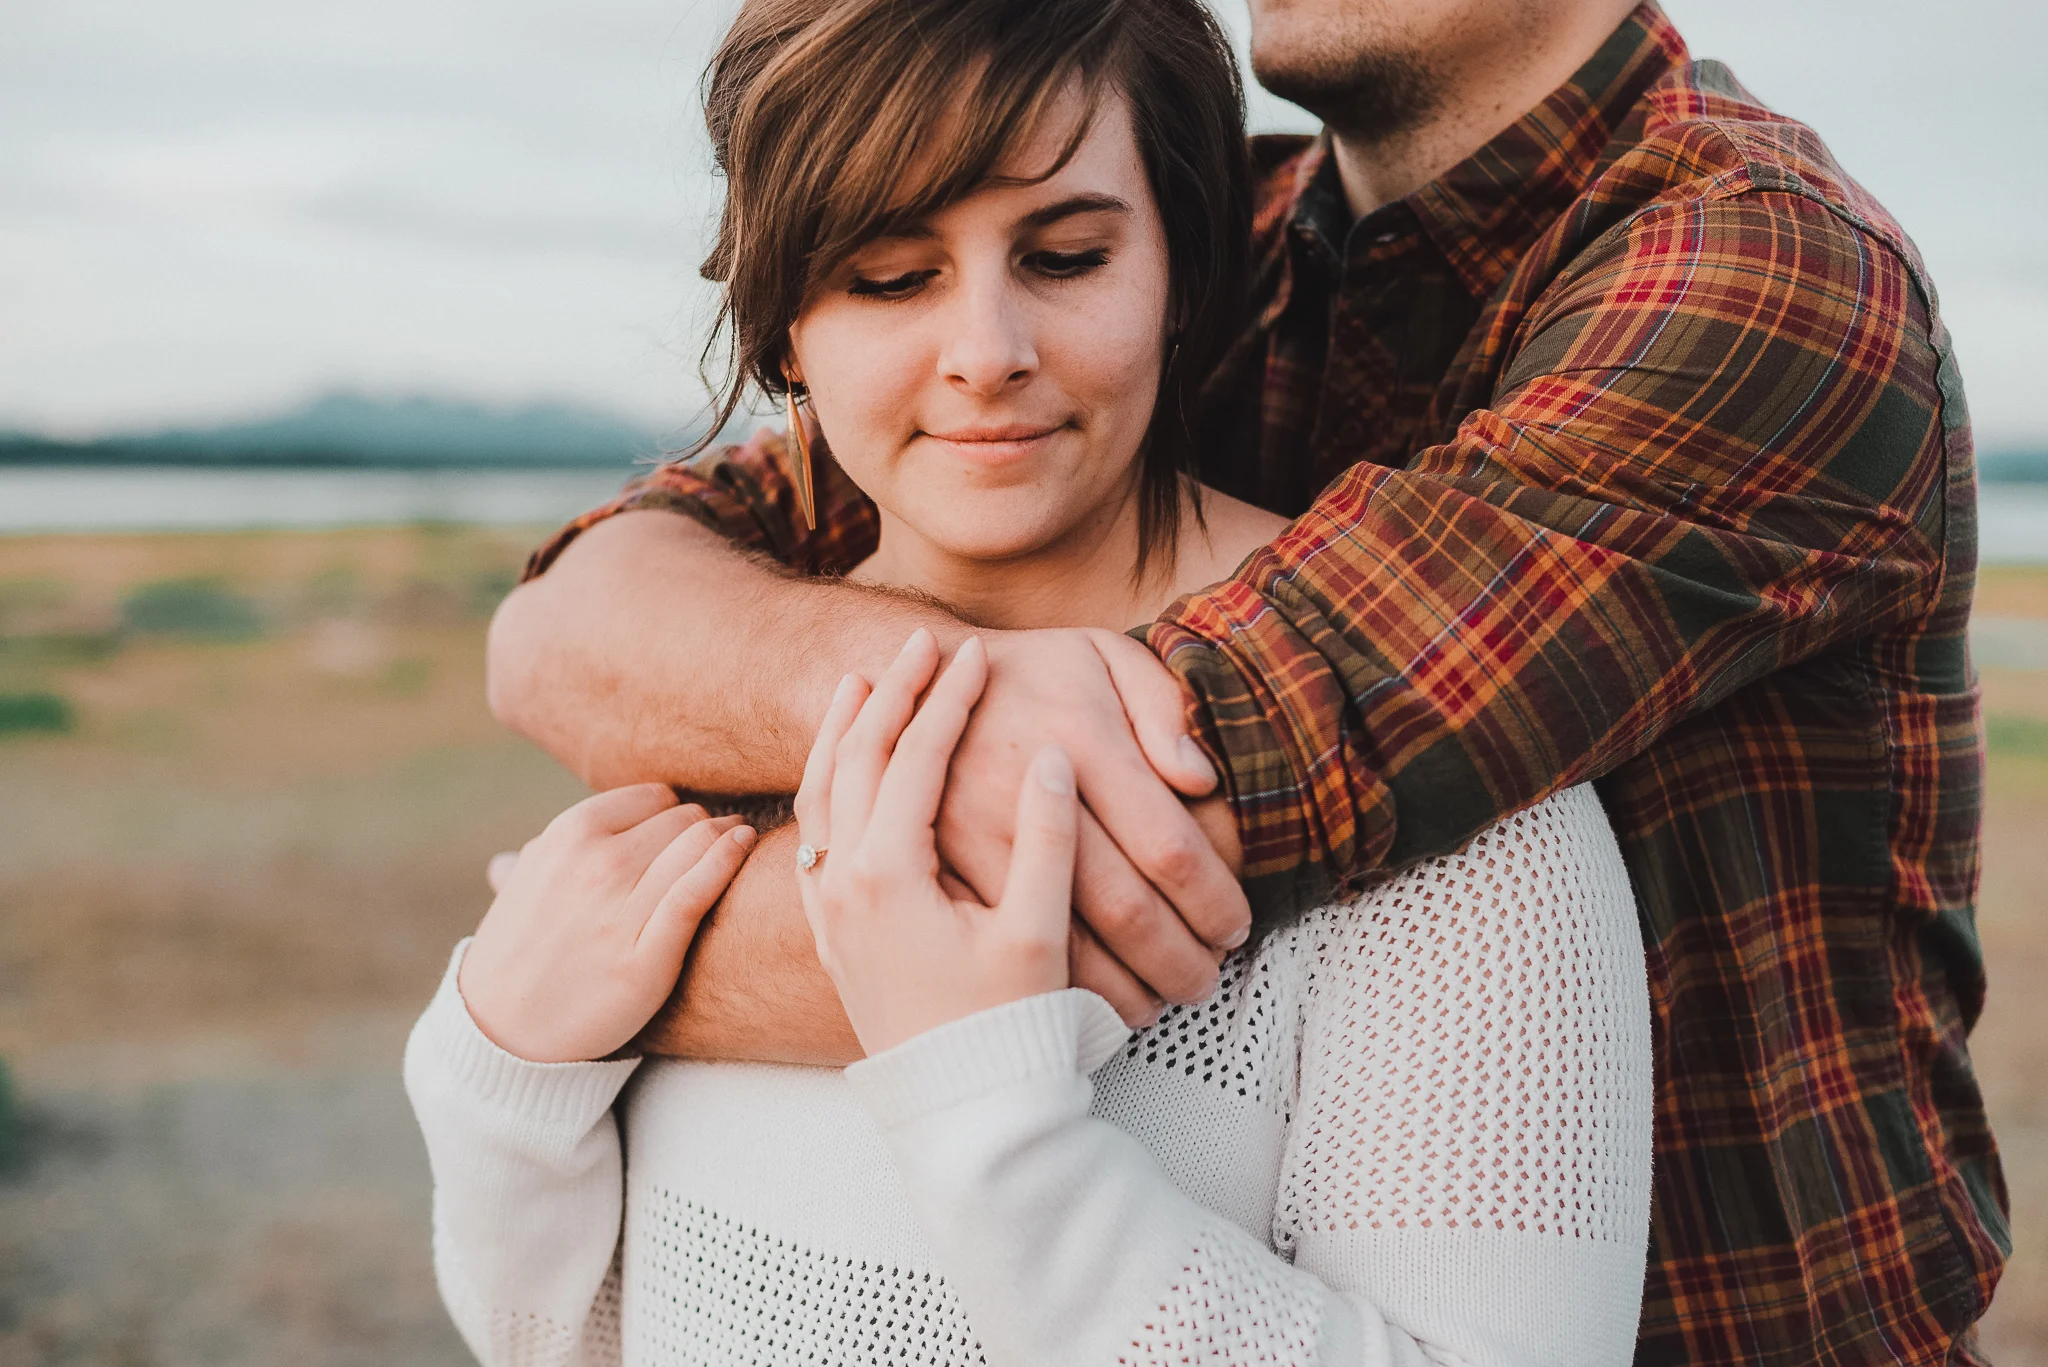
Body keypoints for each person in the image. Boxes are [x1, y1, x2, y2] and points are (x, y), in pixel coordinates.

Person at [487, 0, 2006, 1363]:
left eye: (1068, 260)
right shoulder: (1221, 232)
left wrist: (562, 974)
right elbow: (593, 607)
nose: (985, 344)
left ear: (1156, 272)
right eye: (889, 275)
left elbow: (1133, 811)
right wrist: (876, 668)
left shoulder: (1764, 265)